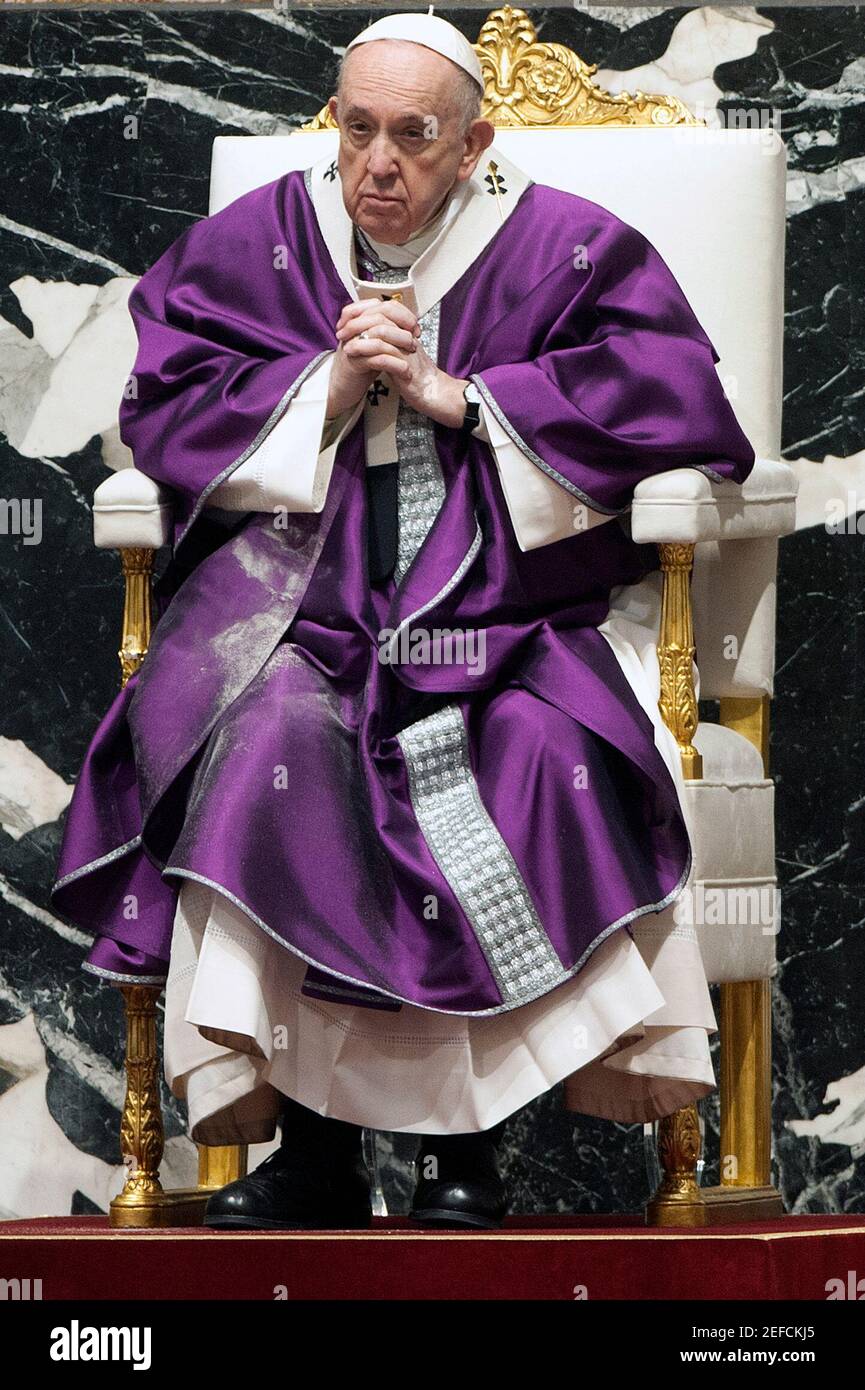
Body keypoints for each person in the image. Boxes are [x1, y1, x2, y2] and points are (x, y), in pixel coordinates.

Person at [51, 11, 756, 1231]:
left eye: (413, 137)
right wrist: (322, 391)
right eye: (356, 127)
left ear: (474, 140)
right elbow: (160, 399)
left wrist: (464, 397)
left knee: (530, 759)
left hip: (501, 617)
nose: (377, 162)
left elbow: (680, 401)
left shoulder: (563, 248)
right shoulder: (267, 239)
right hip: (303, 614)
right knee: (270, 746)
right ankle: (317, 1156)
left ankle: (461, 1159)